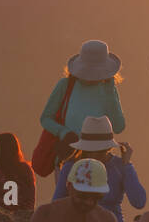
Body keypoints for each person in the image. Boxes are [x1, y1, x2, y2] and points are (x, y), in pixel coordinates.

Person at [34, 40, 126, 178]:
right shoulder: (66, 86)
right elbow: (46, 118)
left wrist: (110, 93)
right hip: (69, 160)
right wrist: (64, 133)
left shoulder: (108, 91)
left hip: (99, 163)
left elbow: (119, 126)